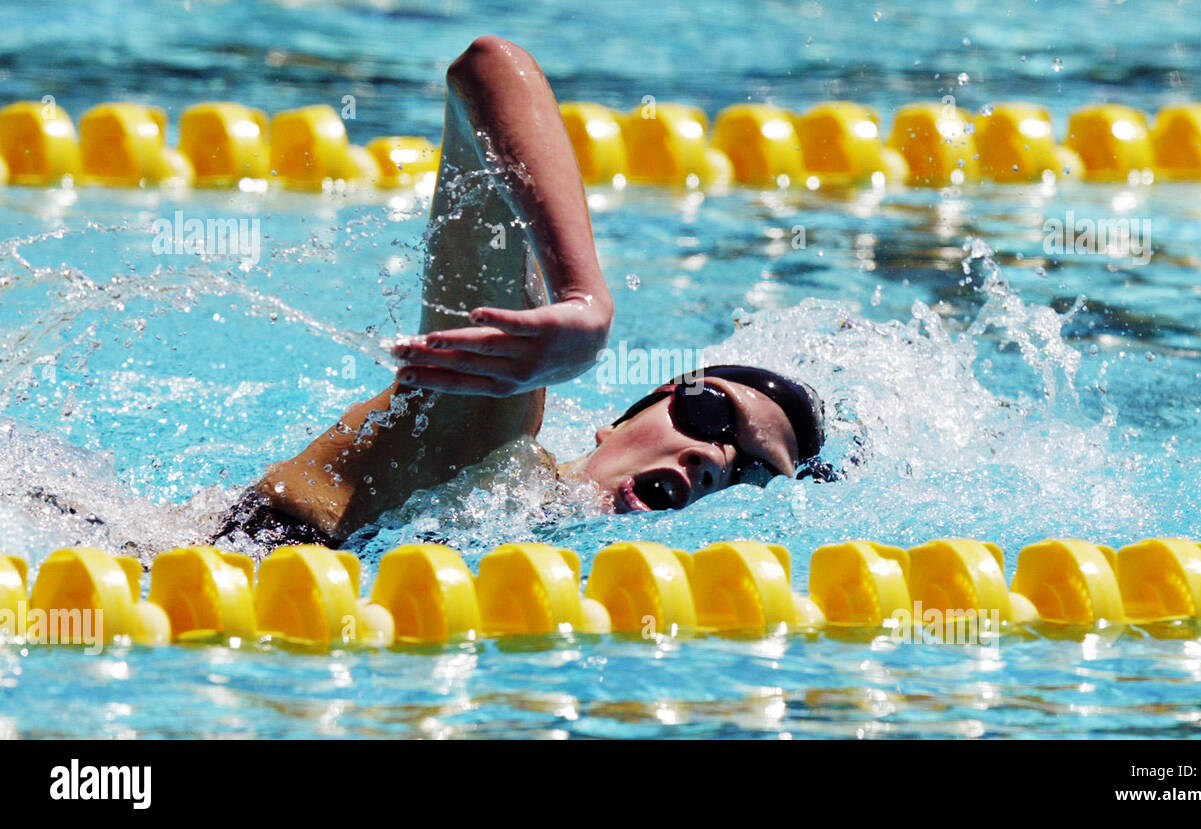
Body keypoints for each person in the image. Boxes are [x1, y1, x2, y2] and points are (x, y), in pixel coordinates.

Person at [212, 36, 828, 553]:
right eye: (709, 413)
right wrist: (585, 297)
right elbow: (488, 68)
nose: (713, 459)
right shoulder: (489, 441)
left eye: (751, 474)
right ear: (619, 422)